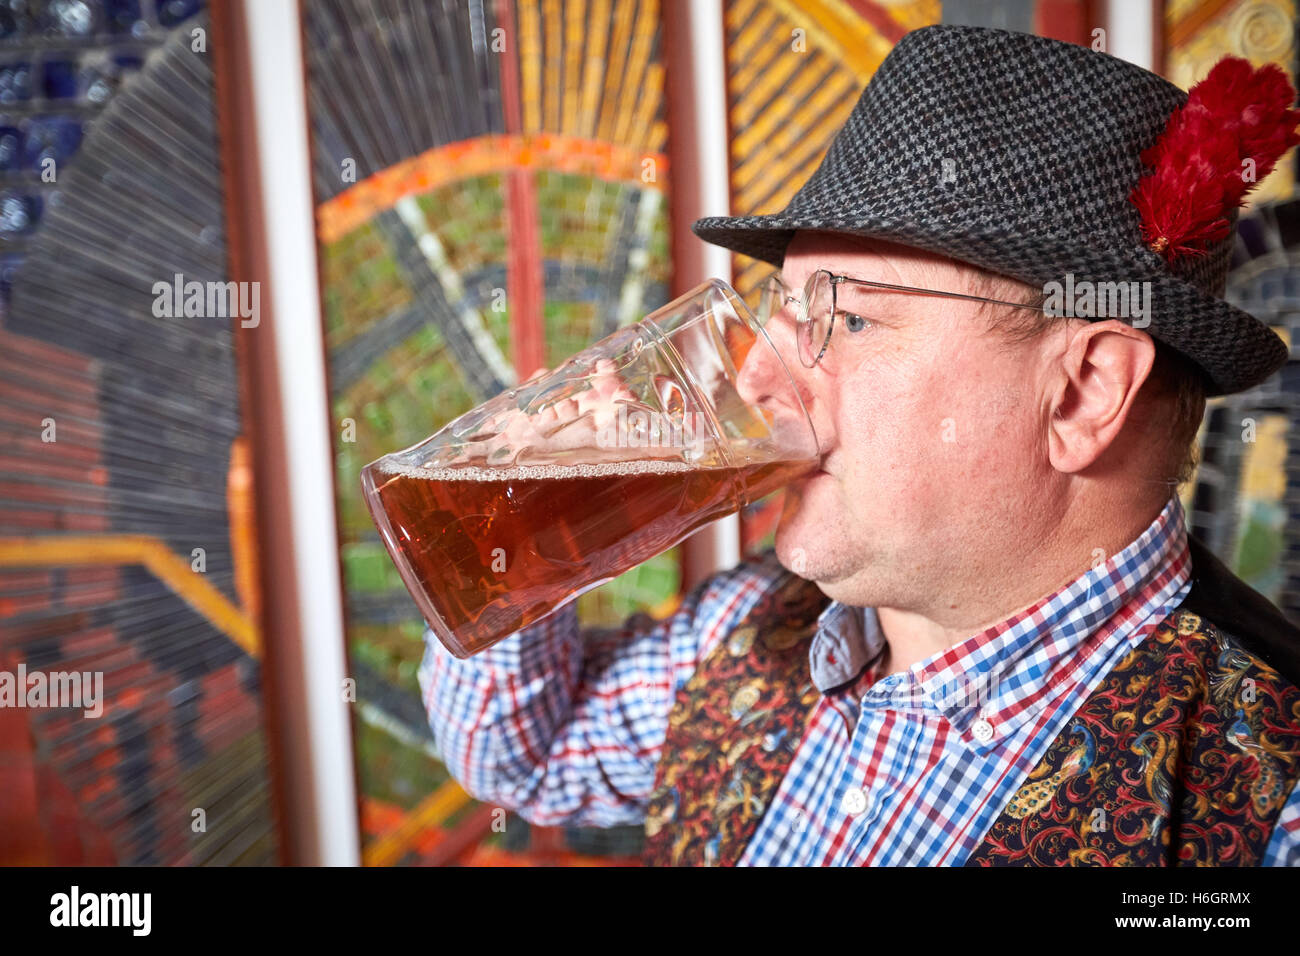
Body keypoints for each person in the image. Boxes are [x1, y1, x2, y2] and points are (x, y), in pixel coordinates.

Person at [418, 24, 1300, 865]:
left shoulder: (1270, 809)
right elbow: (529, 760)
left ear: (1083, 391)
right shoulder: (749, 625)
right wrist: (519, 543)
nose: (756, 377)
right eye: (785, 306)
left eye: (850, 316)